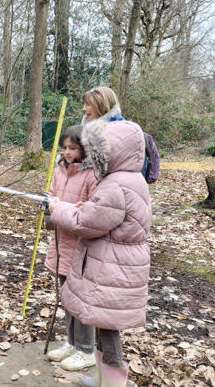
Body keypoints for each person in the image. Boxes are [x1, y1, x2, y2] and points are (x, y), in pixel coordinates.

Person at [48, 120, 151, 387]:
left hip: (113, 265)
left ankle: (113, 381)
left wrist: (60, 209)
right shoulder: (130, 179)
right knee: (104, 323)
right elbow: (104, 214)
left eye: (99, 152)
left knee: (107, 327)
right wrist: (88, 206)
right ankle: (103, 376)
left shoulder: (116, 184)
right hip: (116, 262)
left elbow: (87, 223)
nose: (94, 158)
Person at [44, 125, 99, 372]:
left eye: (73, 148)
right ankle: (71, 342)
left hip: (81, 247)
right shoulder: (59, 169)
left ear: (84, 149)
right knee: (66, 296)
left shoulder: (91, 174)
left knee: (80, 298)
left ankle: (86, 349)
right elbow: (52, 195)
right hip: (60, 242)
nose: (67, 152)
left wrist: (63, 209)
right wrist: (49, 205)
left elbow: (90, 211)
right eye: (64, 148)